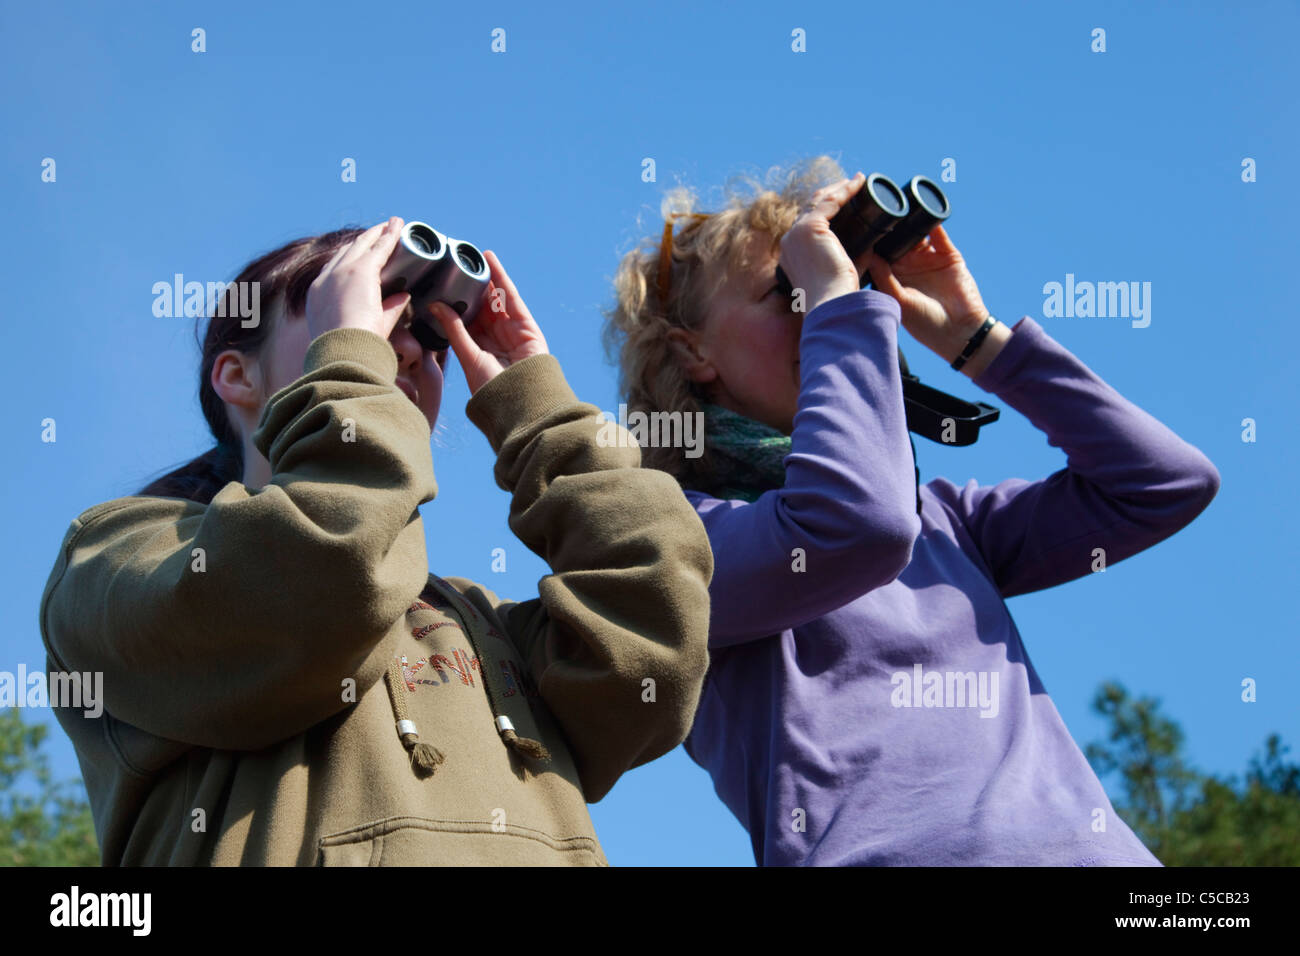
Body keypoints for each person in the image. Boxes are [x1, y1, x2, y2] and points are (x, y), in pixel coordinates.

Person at [601, 158, 1221, 866]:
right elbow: (858, 526)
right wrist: (838, 301)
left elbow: (1165, 483)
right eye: (788, 293)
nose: (821, 311)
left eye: (841, 288)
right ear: (693, 351)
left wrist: (975, 338)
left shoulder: (946, 523)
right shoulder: (677, 539)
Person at [39, 217, 712, 866]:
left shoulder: (479, 622)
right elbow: (313, 586)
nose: (405, 344)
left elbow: (654, 654)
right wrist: (353, 366)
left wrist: (540, 408)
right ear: (236, 377)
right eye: (358, 307)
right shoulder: (119, 555)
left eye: (426, 332)